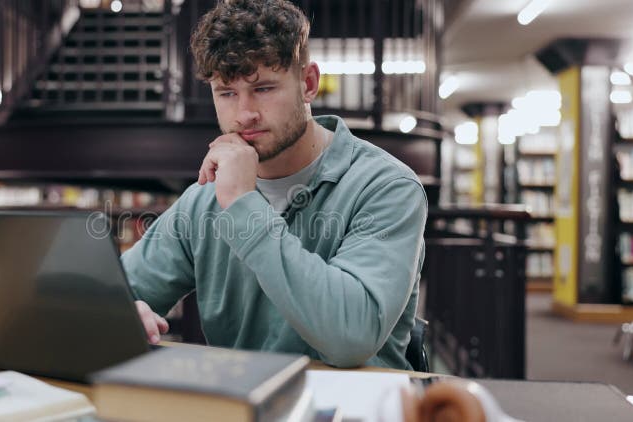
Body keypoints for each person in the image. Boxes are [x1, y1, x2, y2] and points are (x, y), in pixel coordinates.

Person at [121, 0, 427, 369]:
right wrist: (120, 314)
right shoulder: (203, 201)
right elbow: (112, 294)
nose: (244, 114)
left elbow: (351, 336)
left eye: (263, 88)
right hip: (245, 403)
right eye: (227, 93)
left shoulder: (387, 187)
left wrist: (242, 204)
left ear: (308, 83)